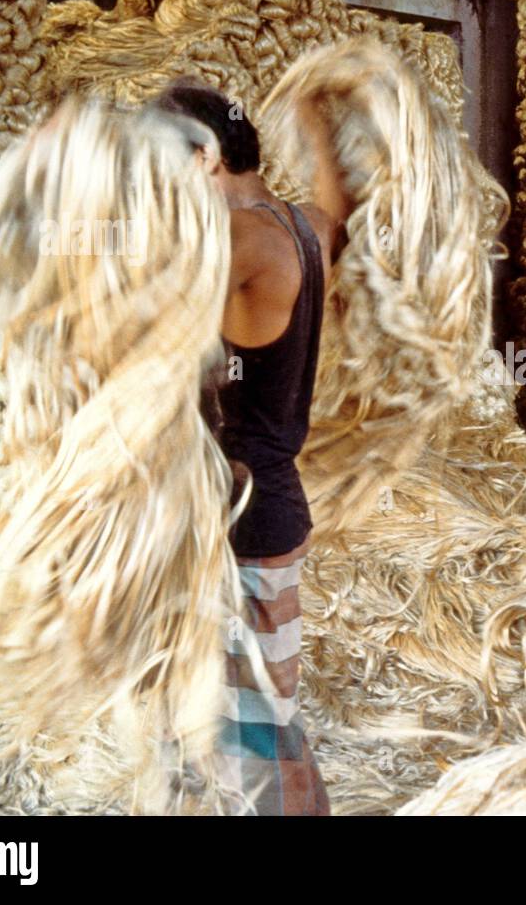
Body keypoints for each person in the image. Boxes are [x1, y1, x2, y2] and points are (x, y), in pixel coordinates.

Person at [153, 82, 348, 815]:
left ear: (204, 159)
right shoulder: (304, 227)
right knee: (271, 717)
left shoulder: (239, 239)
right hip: (271, 508)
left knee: (245, 738)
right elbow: (336, 203)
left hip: (243, 517)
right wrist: (319, 123)